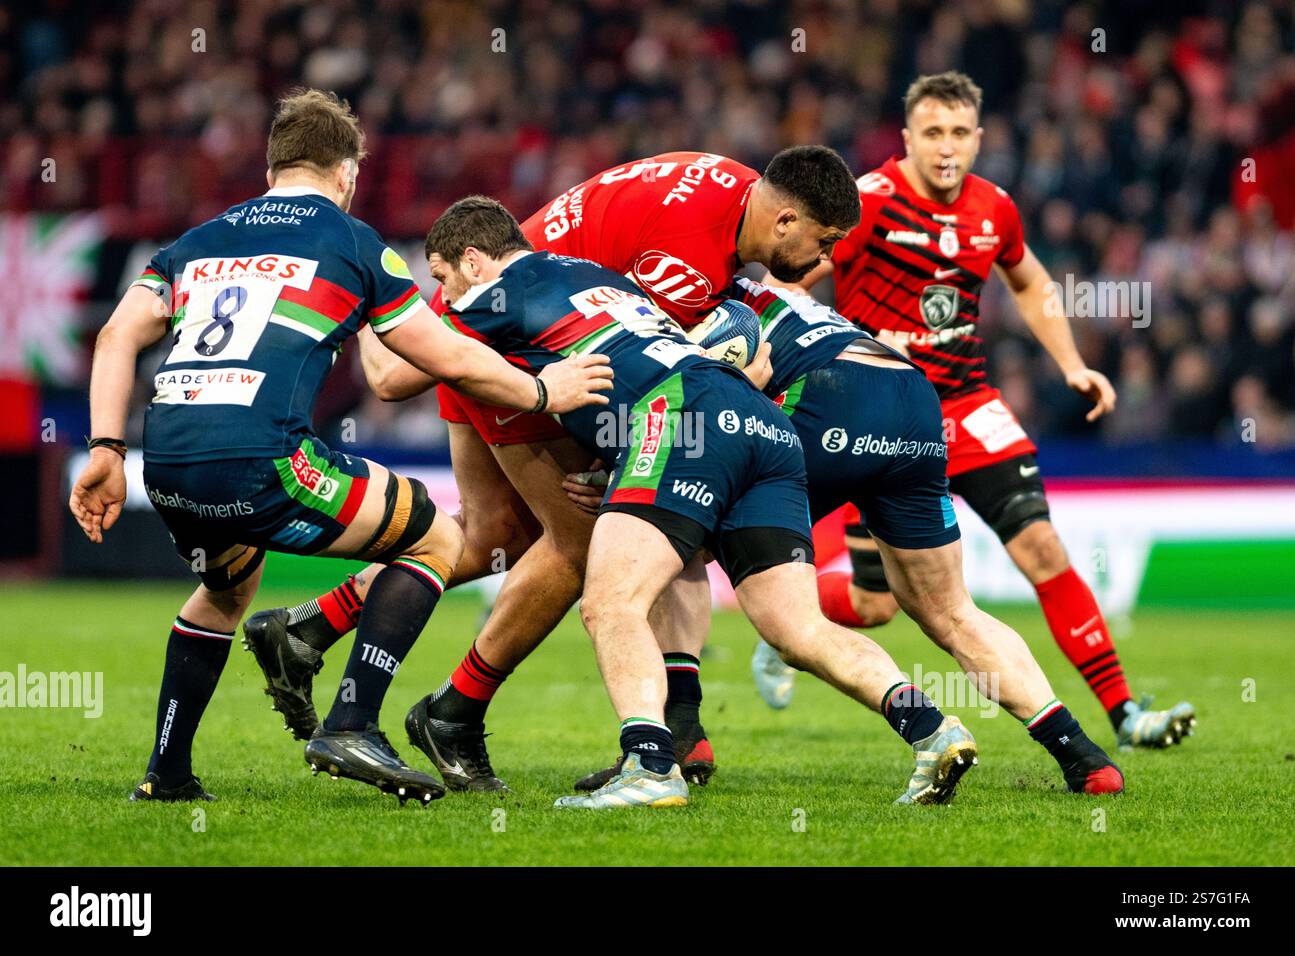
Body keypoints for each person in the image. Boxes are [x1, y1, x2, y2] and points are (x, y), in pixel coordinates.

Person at [244, 147, 860, 788]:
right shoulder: (689, 255)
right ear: (785, 219)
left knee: (495, 534)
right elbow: (641, 367)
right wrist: (377, 291)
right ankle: (458, 711)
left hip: (526, 324)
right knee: (584, 542)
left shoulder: (725, 190)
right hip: (524, 347)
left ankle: (313, 628)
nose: (826, 261)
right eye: (825, 242)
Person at [67, 90, 612, 805]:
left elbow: (114, 336)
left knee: (226, 588)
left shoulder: (194, 243)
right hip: (262, 459)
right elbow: (445, 355)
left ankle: (167, 774)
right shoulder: (353, 242)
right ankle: (352, 724)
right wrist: (544, 390)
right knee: (435, 538)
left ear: (271, 170)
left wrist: (106, 450)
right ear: (347, 172)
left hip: (165, 461)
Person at [405, 195, 981, 809]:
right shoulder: (601, 277)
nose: (443, 294)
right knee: (799, 629)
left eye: (442, 278)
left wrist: (374, 294)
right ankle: (932, 729)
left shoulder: (502, 290)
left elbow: (397, 374)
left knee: (612, 601)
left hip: (682, 418)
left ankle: (650, 767)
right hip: (766, 425)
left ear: (473, 261)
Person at [760, 72, 1194, 750]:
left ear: (979, 138)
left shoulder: (995, 208)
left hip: (967, 406)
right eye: (932, 132)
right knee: (876, 604)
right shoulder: (871, 202)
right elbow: (785, 282)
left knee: (1043, 548)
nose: (947, 147)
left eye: (960, 133)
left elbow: (1031, 281)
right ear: (907, 138)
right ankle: (790, 630)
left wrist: (1072, 364)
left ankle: (1125, 714)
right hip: (883, 421)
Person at [569, 282, 1125, 797]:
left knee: (676, 530)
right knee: (951, 611)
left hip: (825, 398)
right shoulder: (758, 284)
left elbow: (745, 370)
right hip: (910, 394)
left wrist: (631, 476)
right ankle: (1082, 756)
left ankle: (681, 730)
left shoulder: (675, 295)